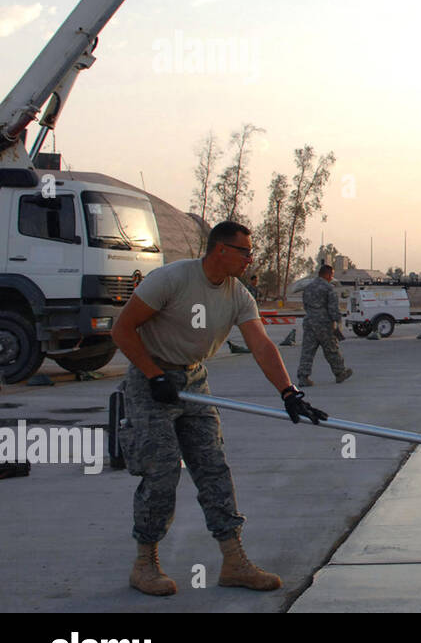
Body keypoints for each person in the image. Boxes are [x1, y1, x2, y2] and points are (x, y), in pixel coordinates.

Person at [110, 221, 327, 597]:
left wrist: (288, 392)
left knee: (214, 469)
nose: (250, 259)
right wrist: (153, 375)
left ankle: (234, 561)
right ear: (221, 250)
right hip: (152, 382)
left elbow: (261, 344)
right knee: (161, 471)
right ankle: (145, 563)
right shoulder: (171, 279)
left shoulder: (238, 294)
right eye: (244, 252)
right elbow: (122, 329)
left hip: (194, 381)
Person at [298, 264, 352, 386]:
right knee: (331, 349)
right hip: (324, 324)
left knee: (307, 351)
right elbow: (333, 308)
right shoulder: (328, 288)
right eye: (332, 275)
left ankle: (303, 377)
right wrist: (337, 322)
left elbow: (306, 305)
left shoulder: (308, 287)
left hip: (309, 322)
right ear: (327, 275)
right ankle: (340, 373)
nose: (332, 277)